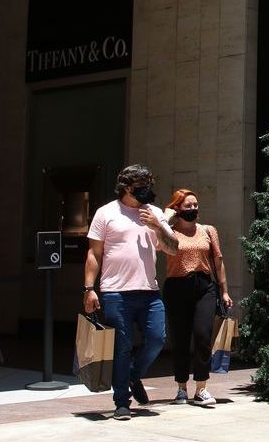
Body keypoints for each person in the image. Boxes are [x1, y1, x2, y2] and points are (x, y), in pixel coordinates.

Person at [83, 164, 180, 420]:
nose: (147, 191)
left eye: (149, 185)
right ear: (127, 188)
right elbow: (94, 253)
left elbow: (173, 249)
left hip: (148, 290)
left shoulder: (154, 213)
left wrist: (158, 226)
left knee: (157, 338)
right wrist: (89, 289)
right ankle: (121, 403)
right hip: (116, 292)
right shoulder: (106, 213)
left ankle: (134, 375)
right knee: (122, 348)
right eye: (141, 187)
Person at [161, 188, 232, 406]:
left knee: (202, 335)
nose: (193, 209)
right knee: (180, 338)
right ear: (177, 209)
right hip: (177, 286)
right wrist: (166, 218)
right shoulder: (169, 232)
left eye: (195, 205)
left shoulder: (208, 230)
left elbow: (218, 261)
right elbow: (158, 246)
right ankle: (181, 387)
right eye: (187, 206)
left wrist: (225, 290)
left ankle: (201, 387)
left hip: (204, 286)